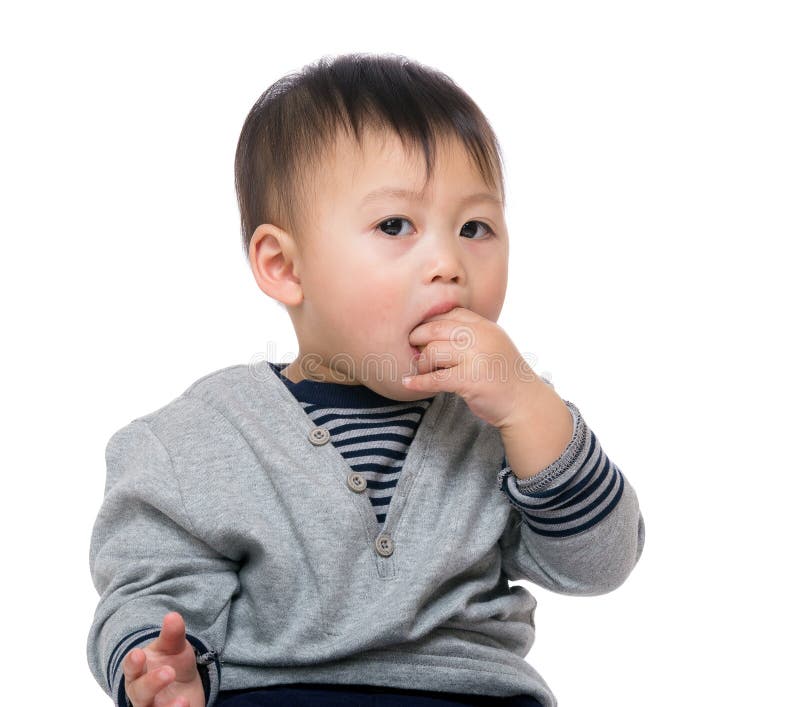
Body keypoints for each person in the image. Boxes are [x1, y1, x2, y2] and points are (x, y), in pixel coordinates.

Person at [87, 52, 646, 707]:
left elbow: (601, 564)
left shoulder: (507, 420)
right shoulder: (203, 439)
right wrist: (160, 663)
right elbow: (150, 586)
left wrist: (530, 407)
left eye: (475, 227)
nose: (448, 262)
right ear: (284, 267)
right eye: (394, 226)